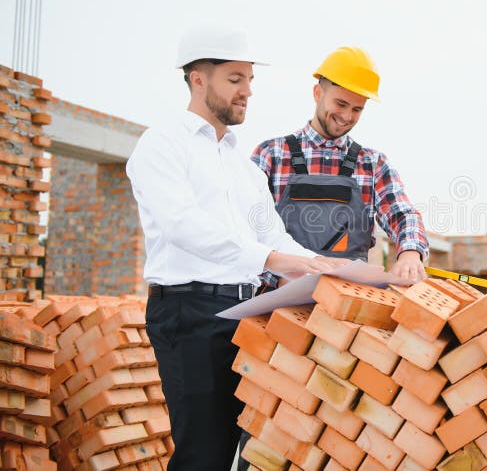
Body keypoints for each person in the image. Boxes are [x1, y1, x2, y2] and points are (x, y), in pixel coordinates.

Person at [126, 26, 342, 470]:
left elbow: (272, 235)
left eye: (249, 80)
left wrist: (316, 266)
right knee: (204, 456)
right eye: (235, 79)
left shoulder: (242, 168)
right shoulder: (163, 144)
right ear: (197, 79)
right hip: (191, 314)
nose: (247, 91)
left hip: (249, 314)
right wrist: (271, 260)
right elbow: (183, 225)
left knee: (254, 452)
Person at [251, 46, 429, 288]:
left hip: (350, 299)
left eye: (357, 109)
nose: (347, 116)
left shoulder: (373, 164)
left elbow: (402, 214)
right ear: (317, 93)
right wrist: (279, 275)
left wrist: (410, 252)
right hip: (279, 300)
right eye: (341, 103)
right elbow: (247, 230)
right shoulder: (270, 155)